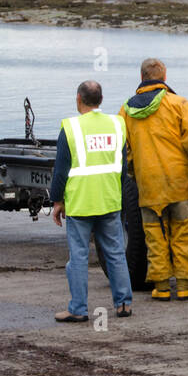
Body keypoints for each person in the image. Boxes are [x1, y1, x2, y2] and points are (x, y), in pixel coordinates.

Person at [120, 59, 188, 300]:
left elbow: (125, 150)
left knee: (155, 238)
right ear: (164, 77)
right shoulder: (179, 104)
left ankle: (162, 287)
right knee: (183, 235)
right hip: (178, 185)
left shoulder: (126, 110)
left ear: (142, 76)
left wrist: (134, 174)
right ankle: (187, 286)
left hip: (148, 187)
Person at [50, 81, 134, 322]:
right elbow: (122, 165)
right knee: (115, 254)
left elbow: (61, 169)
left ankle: (78, 309)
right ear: (101, 99)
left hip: (80, 202)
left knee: (78, 256)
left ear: (78, 99)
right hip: (109, 199)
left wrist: (57, 201)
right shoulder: (117, 124)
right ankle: (124, 304)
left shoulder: (71, 127)